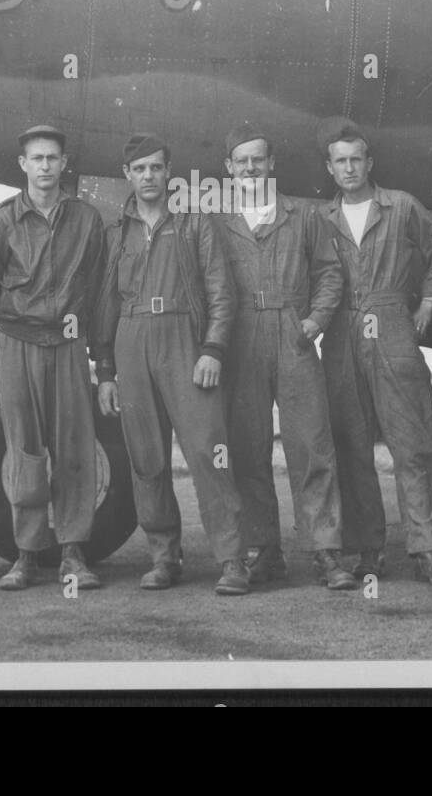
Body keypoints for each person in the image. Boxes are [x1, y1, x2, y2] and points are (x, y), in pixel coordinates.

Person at [91, 133, 250, 596]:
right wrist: (105, 371)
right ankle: (164, 557)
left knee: (208, 452)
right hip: (131, 339)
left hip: (184, 338)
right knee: (146, 458)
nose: (148, 176)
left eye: (156, 168)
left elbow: (222, 291)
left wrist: (213, 349)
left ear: (168, 171)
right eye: (139, 169)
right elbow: (104, 305)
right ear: (127, 175)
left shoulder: (194, 222)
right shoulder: (116, 231)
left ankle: (232, 559)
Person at [214, 123, 356, 591]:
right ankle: (264, 551)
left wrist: (314, 321)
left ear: (271, 164)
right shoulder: (217, 220)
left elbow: (330, 274)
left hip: (293, 335)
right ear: (229, 169)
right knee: (247, 447)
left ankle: (326, 552)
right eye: (242, 161)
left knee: (311, 444)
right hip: (241, 340)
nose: (251, 167)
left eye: (258, 159)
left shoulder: (304, 216)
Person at [318, 118, 432, 587]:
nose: (350, 167)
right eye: (341, 161)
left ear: (369, 162)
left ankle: (429, 550)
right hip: (341, 331)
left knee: (413, 441)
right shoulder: (322, 219)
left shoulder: (400, 207)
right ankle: (367, 550)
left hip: (393, 322)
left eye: (357, 158)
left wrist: (427, 302)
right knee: (351, 445)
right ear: (330, 168)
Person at [0, 124, 108, 592]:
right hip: (19, 343)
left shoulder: (87, 220)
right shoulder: (1, 220)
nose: (46, 167)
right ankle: (26, 554)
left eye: (53, 158)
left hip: (69, 343)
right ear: (23, 165)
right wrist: (21, 325)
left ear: (64, 163)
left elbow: (95, 289)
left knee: (74, 447)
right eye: (37, 159)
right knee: (24, 450)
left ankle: (74, 553)